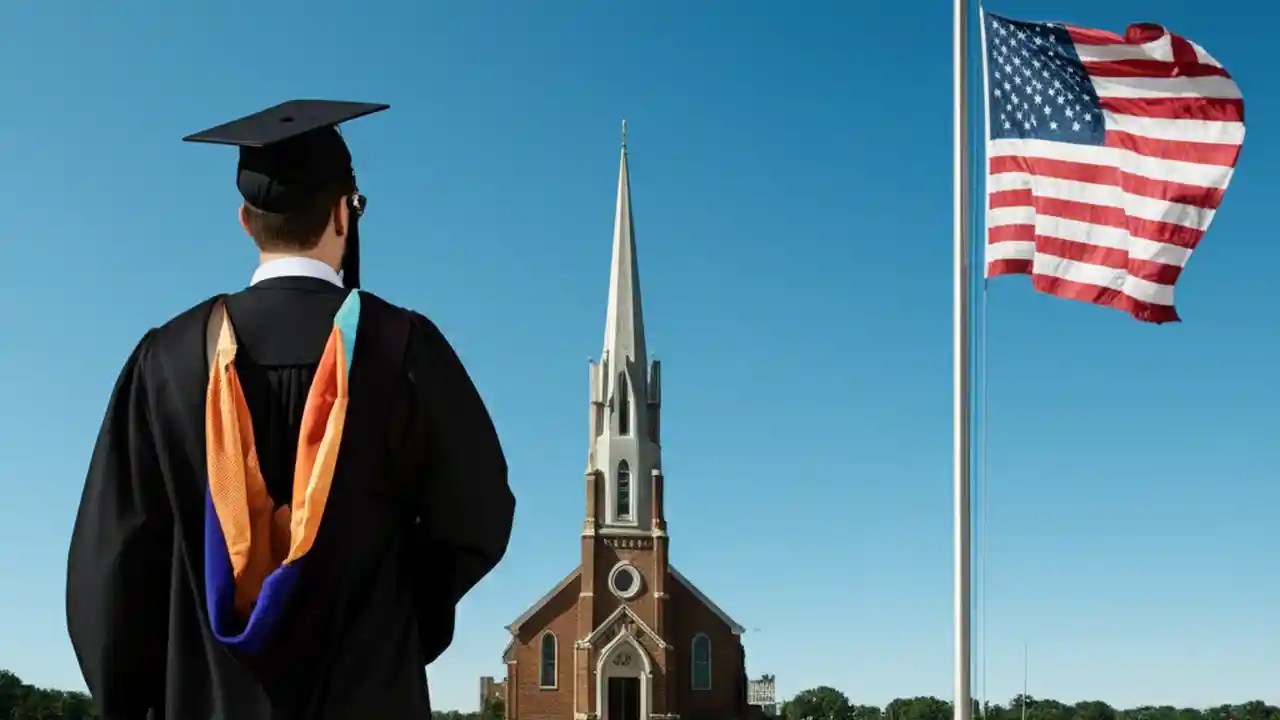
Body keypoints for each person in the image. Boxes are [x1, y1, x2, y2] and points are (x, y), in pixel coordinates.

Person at [66, 100, 515, 720]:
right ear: (343, 213)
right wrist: (395, 621)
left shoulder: (166, 361)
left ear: (246, 222)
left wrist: (142, 695)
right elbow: (478, 517)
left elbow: (111, 565)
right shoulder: (405, 350)